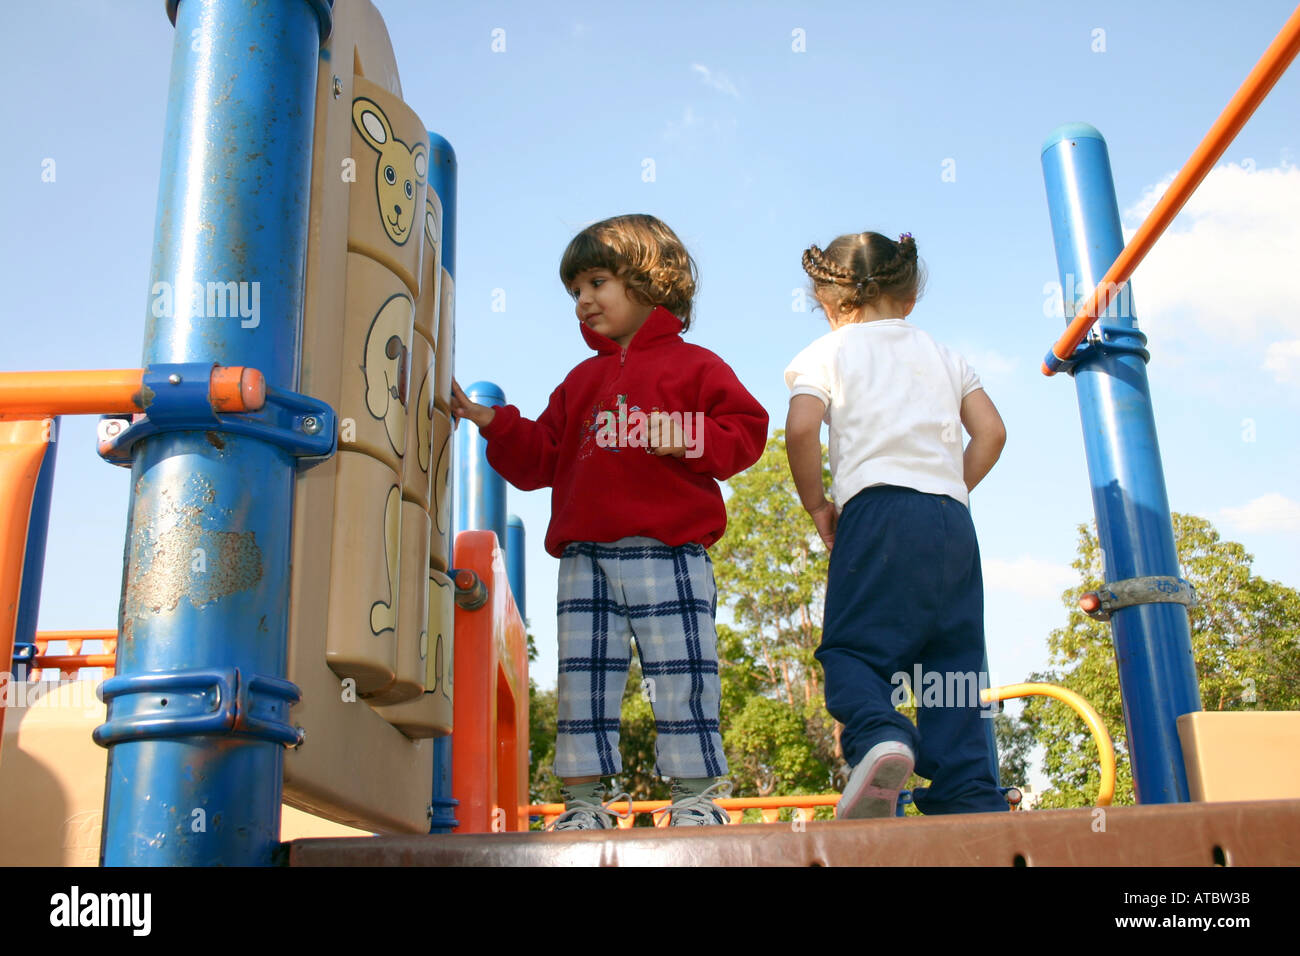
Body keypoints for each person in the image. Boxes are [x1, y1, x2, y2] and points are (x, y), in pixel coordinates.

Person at [451, 214, 768, 829]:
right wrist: (493, 423)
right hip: (585, 556)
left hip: (670, 548)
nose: (584, 300)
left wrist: (690, 435)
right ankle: (585, 805)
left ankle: (696, 800)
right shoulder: (580, 381)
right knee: (583, 681)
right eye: (574, 291)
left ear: (651, 280)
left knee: (682, 673)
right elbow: (541, 457)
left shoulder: (696, 366)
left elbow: (747, 435)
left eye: (597, 281)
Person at [783, 230, 1008, 818]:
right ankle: (969, 797)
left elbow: (803, 428)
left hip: (877, 513)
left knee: (853, 651)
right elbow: (993, 433)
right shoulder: (944, 353)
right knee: (954, 663)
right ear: (908, 297)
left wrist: (817, 506)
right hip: (952, 524)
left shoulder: (828, 352)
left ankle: (880, 733)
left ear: (830, 305)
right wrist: (951, 485)